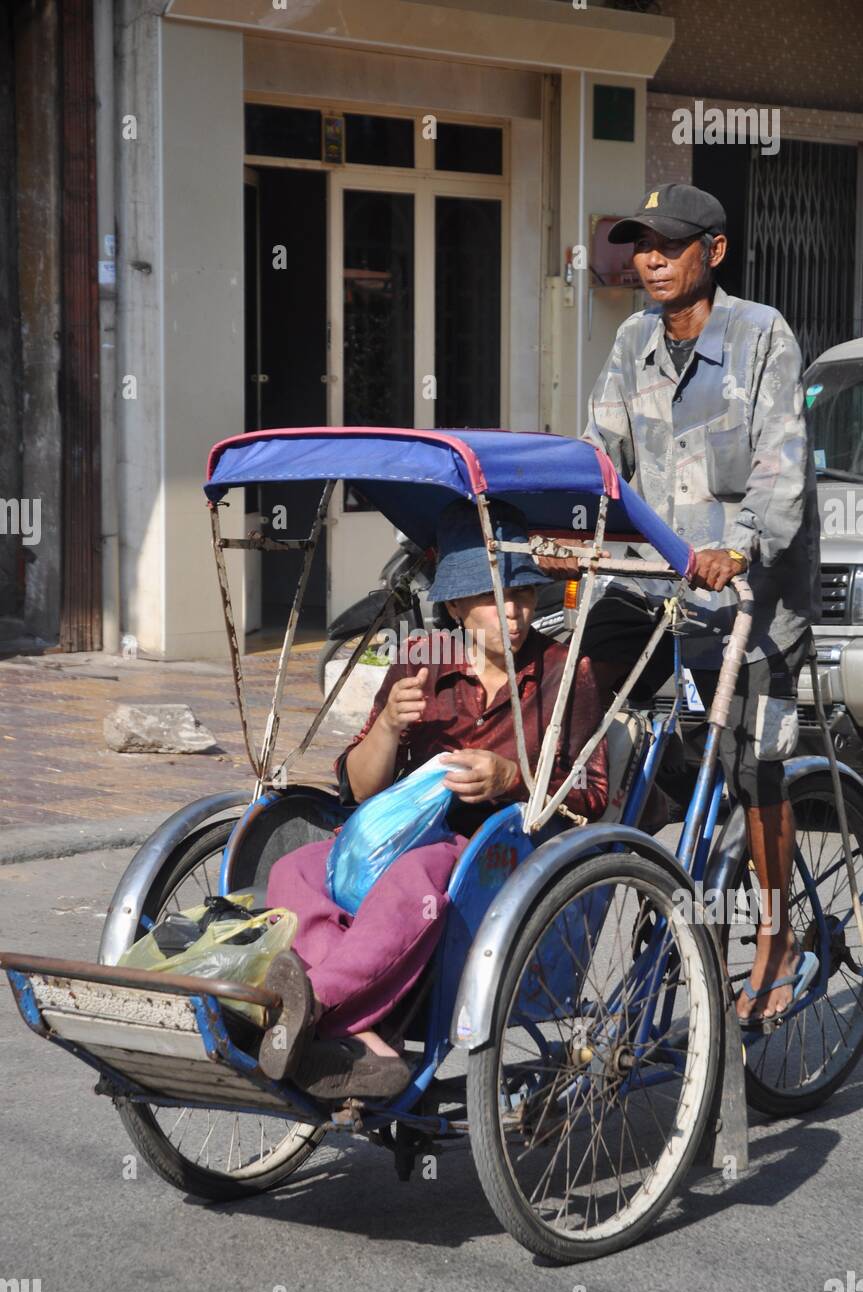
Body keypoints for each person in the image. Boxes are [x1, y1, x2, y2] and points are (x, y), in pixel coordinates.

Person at [551, 182, 820, 1031]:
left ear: (715, 251)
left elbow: (782, 467)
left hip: (752, 593)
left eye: (670, 243)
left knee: (752, 762)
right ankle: (636, 851)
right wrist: (563, 527)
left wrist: (736, 545)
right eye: (640, 244)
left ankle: (774, 933)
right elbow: (599, 458)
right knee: (572, 674)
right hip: (658, 587)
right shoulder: (631, 341)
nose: (651, 259)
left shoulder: (759, 334)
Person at [258, 499, 608, 1100]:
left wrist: (510, 779)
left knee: (414, 879)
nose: (515, 613)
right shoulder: (421, 660)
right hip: (393, 838)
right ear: (455, 607)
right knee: (294, 869)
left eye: (523, 595)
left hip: (492, 853)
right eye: (493, 598)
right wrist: (391, 727)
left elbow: (595, 794)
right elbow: (360, 789)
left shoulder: (563, 672)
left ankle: (313, 1009)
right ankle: (365, 1041)